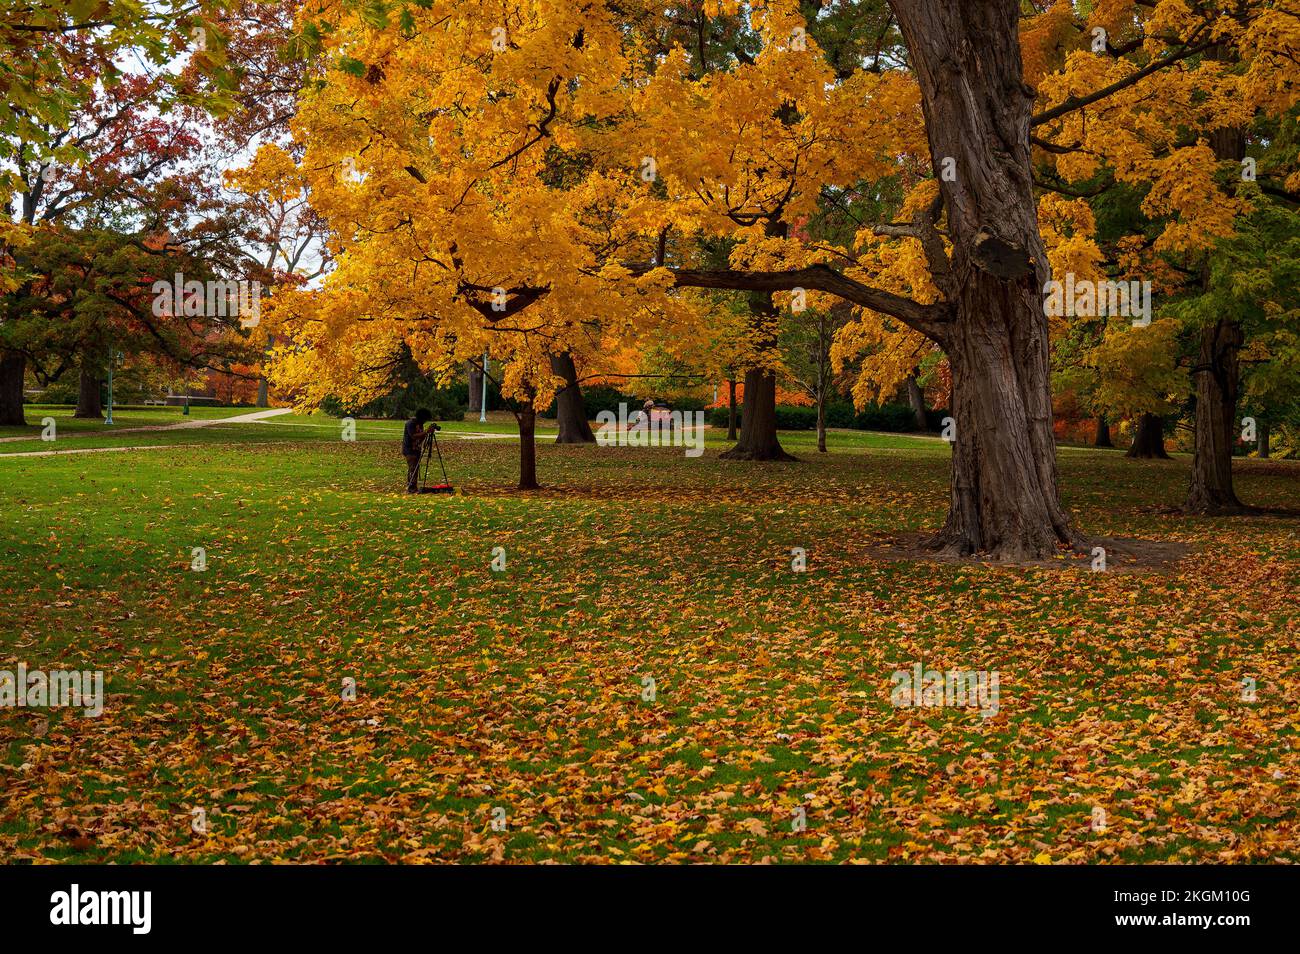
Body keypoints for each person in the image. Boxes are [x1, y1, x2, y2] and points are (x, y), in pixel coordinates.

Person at [402, 409, 438, 493]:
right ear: (421, 417)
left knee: (415, 468)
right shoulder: (410, 423)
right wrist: (426, 432)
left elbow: (420, 436)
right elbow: (413, 436)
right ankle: (411, 488)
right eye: (425, 419)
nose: (425, 421)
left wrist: (427, 434)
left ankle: (413, 487)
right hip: (409, 449)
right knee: (412, 468)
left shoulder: (420, 424)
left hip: (417, 449)